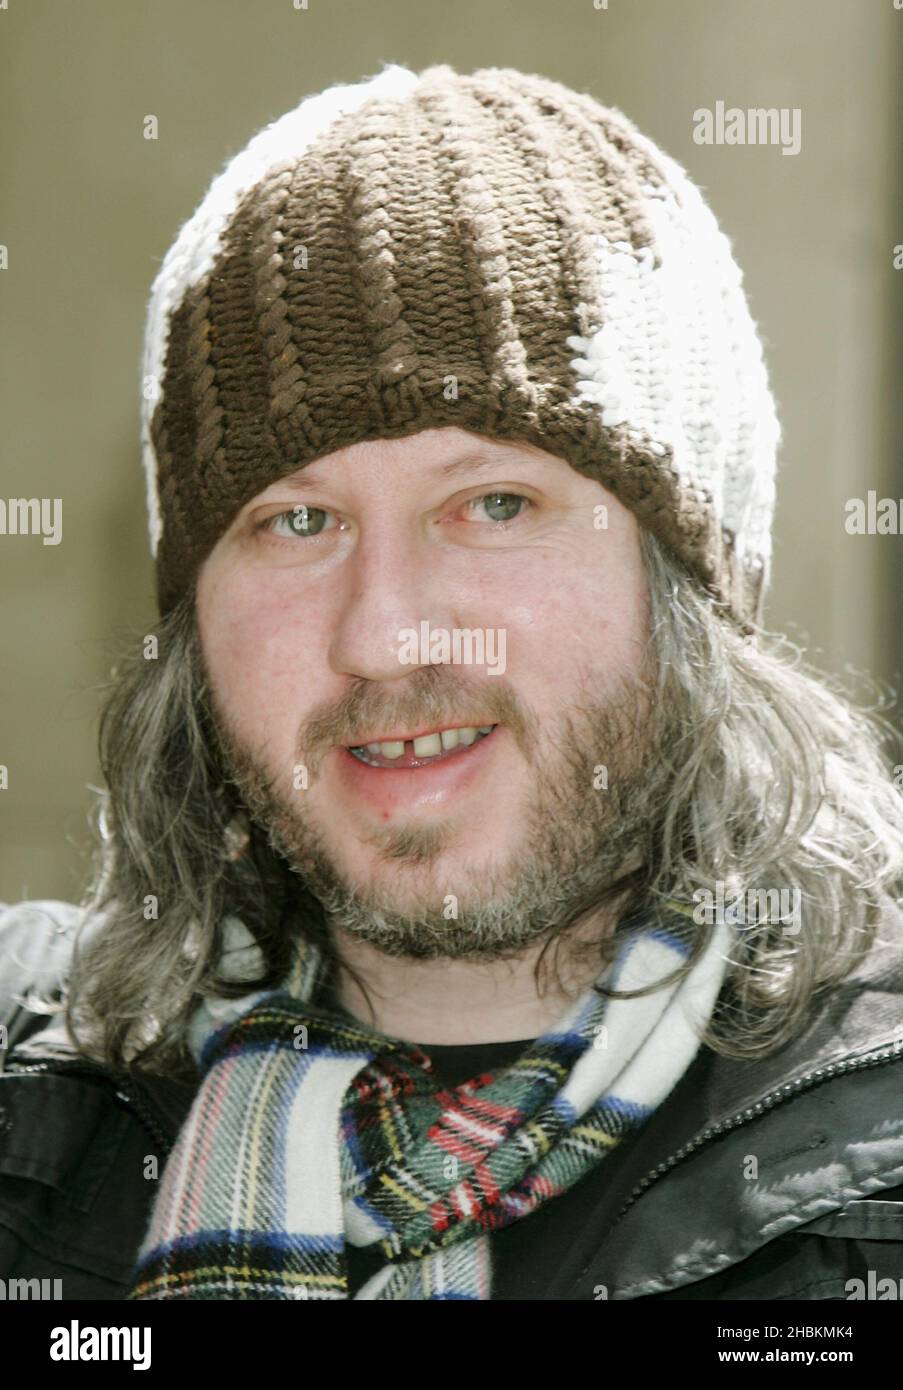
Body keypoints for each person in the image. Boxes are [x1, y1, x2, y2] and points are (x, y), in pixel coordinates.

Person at [2, 61, 902, 1303]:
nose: (384, 634)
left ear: (690, 584)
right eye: (295, 520)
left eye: (493, 502)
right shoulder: (28, 1094)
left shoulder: (871, 1179)